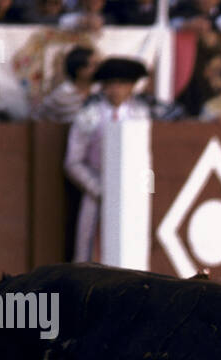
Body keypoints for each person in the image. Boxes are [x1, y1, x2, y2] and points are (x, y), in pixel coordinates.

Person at [64, 57, 151, 262]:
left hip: (133, 195)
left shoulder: (142, 114)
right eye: (111, 84)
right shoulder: (89, 116)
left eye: (122, 83)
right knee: (89, 250)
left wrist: (142, 190)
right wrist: (100, 189)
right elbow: (73, 162)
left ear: (132, 86)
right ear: (103, 86)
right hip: (97, 193)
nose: (116, 89)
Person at [38, 46, 98, 123]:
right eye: (94, 65)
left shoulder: (100, 91)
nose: (98, 68)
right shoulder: (60, 96)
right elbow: (40, 119)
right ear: (80, 69)